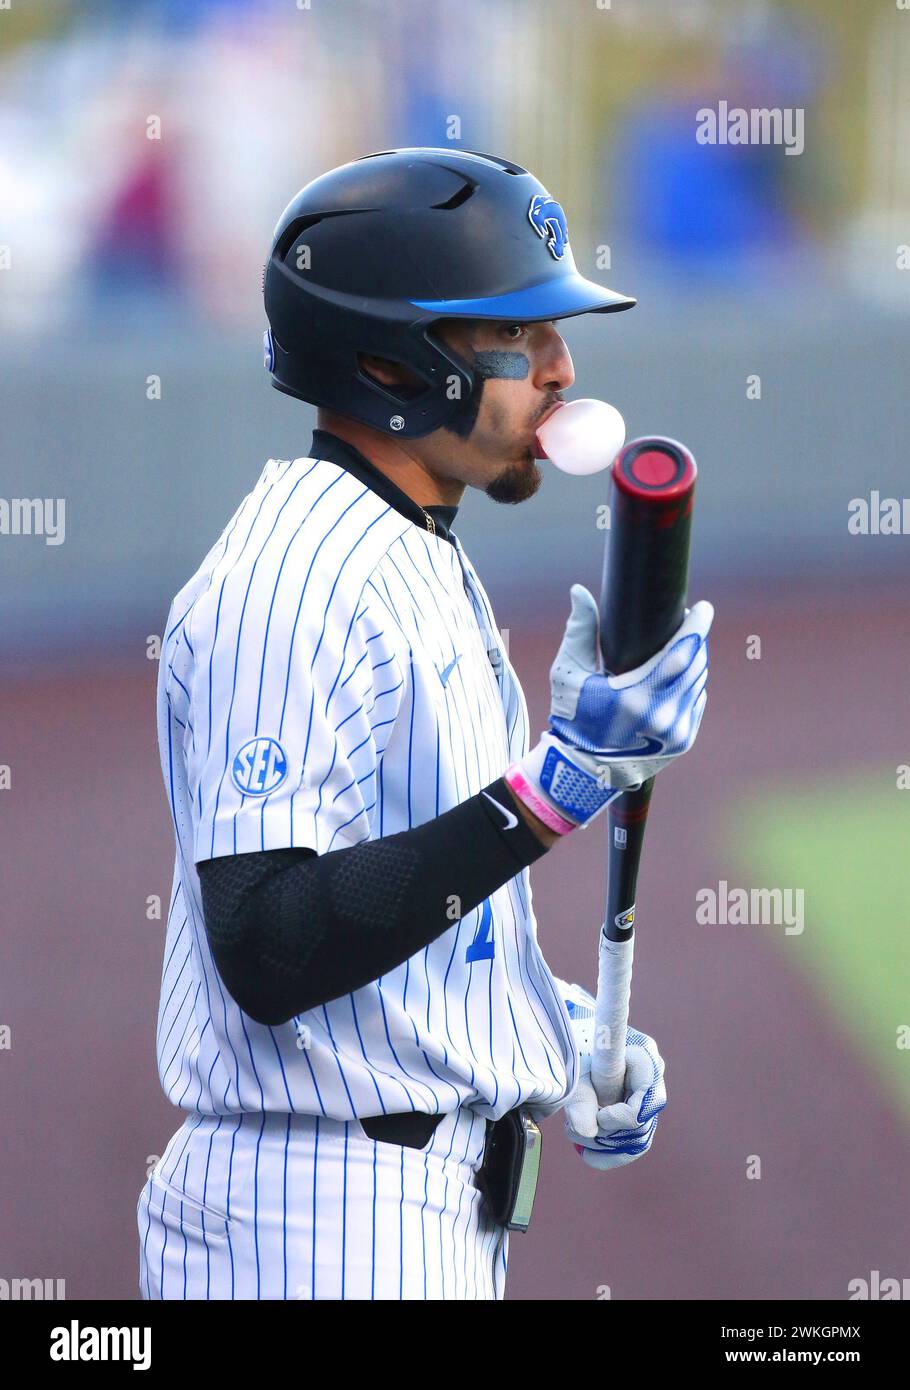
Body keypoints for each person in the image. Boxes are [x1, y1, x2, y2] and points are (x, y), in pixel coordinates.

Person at [137, 148, 712, 1301]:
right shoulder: (292, 580)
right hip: (308, 1224)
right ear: (391, 360)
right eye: (519, 334)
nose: (561, 368)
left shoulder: (409, 554)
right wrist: (556, 788)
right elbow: (267, 940)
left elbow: (426, 933)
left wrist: (561, 1042)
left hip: (400, 1211)